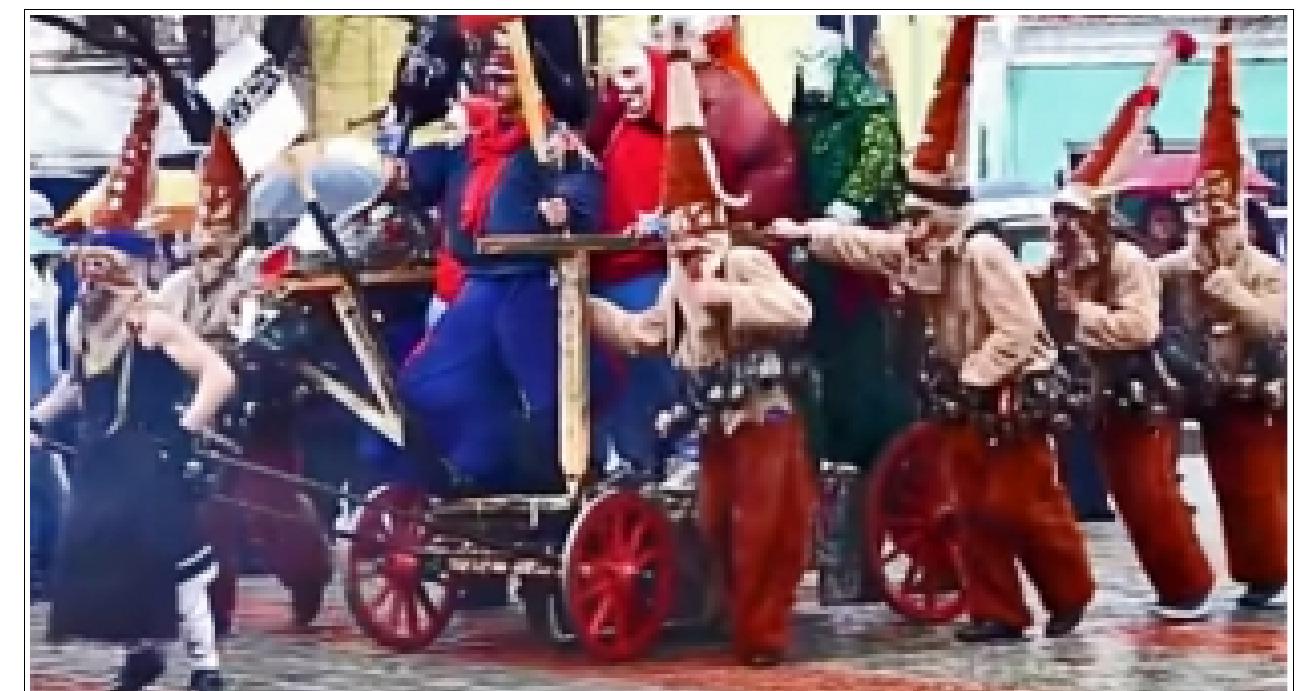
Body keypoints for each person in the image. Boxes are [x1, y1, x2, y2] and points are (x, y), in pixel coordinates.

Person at [771, 16, 1094, 643]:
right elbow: (866, 248)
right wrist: (807, 233)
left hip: (1011, 394)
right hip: (963, 399)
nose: (911, 229)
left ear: (946, 216)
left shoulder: (982, 255)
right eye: (909, 217)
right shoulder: (920, 251)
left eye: (920, 217)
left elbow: (1020, 332)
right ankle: (998, 611)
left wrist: (975, 374)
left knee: (1027, 506)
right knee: (972, 509)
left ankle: (1069, 592)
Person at [587, 30, 814, 665]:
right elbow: (647, 334)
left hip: (763, 412)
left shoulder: (740, 264)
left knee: (763, 528)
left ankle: (763, 633)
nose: (686, 249)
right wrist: (583, 311)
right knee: (712, 521)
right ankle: (726, 614)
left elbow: (799, 311)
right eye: (678, 238)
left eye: (695, 234)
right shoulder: (681, 281)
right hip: (715, 418)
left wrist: (728, 302)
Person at [395, 29, 602, 492]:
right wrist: (401, 174)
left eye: (509, 76)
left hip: (531, 284)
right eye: (492, 76)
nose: (498, 83)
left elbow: (582, 185)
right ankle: (485, 468)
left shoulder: (552, 141)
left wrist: (566, 207)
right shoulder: (468, 142)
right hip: (479, 285)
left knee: (549, 401)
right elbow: (426, 178)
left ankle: (561, 487)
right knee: (425, 384)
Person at [31, 231, 235, 691]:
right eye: (88, 266)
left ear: (131, 269)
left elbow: (218, 374)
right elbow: (74, 385)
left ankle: (207, 667)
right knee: (113, 560)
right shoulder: (80, 321)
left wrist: (189, 430)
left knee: (174, 559)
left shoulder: (152, 322)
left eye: (104, 266)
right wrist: (36, 420)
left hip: (151, 456)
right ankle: (142, 657)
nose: (92, 278)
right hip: (102, 459)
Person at [157, 125, 332, 636]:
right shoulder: (177, 285)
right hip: (200, 403)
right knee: (207, 509)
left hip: (259, 404)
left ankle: (308, 577)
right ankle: (215, 609)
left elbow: (270, 328)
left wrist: (248, 319)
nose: (209, 234)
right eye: (204, 222)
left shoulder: (259, 272)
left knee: (270, 506)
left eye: (220, 222)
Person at [1154, 23, 1287, 611]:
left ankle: (1270, 575)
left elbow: (1279, 325)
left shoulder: (1261, 268)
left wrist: (1230, 291)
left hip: (1257, 394)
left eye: (1219, 213)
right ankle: (1222, 575)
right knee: (1221, 488)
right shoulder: (1179, 265)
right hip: (1205, 391)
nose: (1208, 223)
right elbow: (1148, 290)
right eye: (1201, 213)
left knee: (1257, 491)